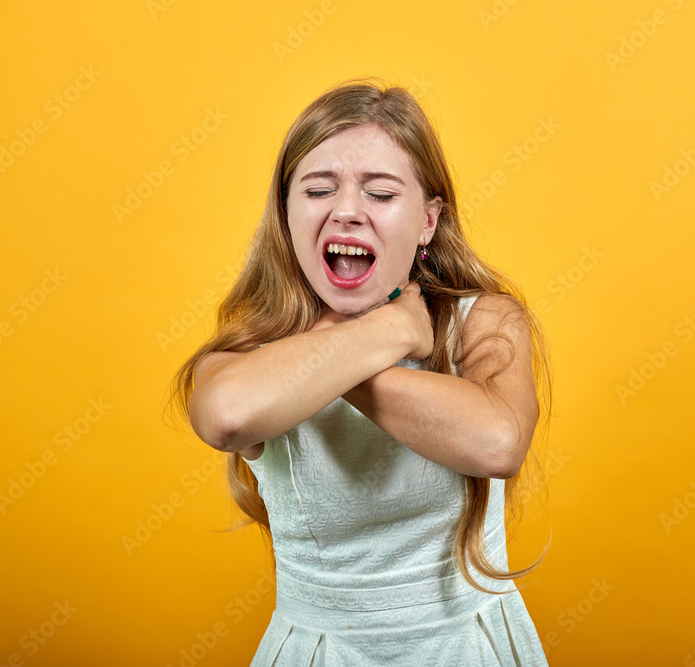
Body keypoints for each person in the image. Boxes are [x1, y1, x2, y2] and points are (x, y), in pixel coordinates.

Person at [168, 77, 554, 665]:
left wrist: (329, 359)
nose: (347, 211)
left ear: (428, 221)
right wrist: (389, 330)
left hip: (469, 647)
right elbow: (225, 415)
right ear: (286, 214)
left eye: (380, 193)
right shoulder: (254, 352)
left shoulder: (486, 322)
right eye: (319, 189)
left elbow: (498, 442)